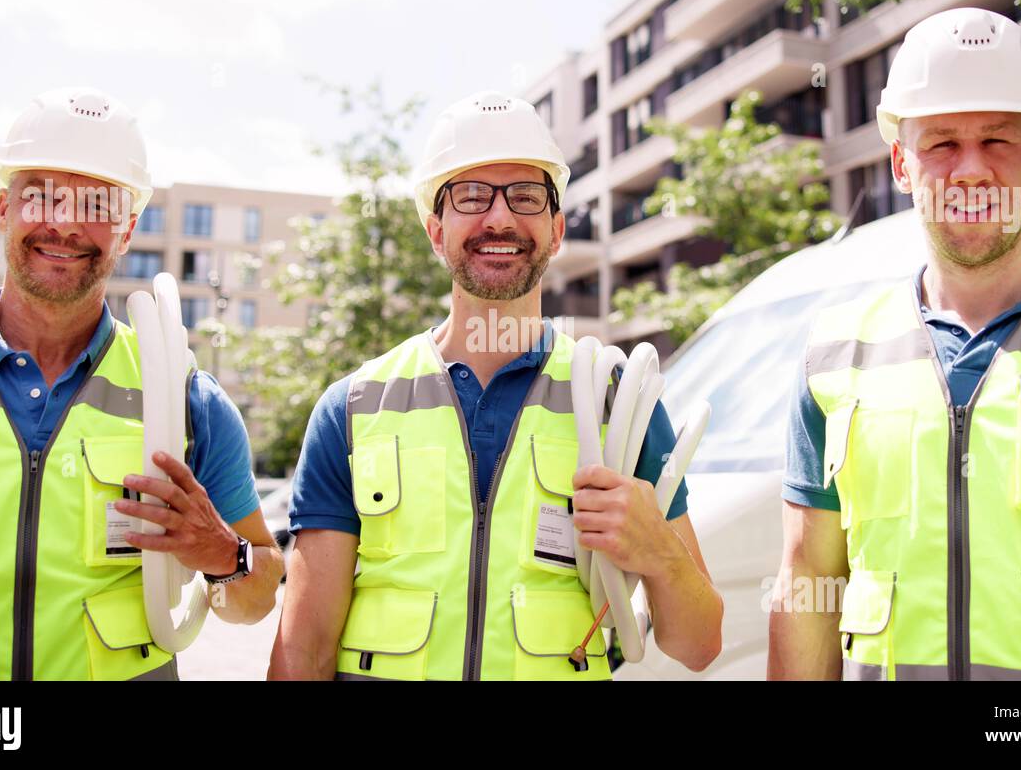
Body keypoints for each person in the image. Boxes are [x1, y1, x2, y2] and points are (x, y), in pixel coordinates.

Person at [769, 8, 1021, 680]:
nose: (972, 171)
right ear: (901, 163)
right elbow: (808, 581)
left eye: (997, 141)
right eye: (943, 144)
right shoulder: (834, 359)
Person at [268, 91, 722, 680]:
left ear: (556, 230)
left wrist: (660, 551)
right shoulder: (352, 409)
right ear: (436, 231)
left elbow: (700, 645)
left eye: (526, 197)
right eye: (472, 196)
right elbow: (303, 653)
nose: (500, 218)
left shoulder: (622, 403)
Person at [0, 87, 284, 680]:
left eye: (96, 203)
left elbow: (255, 599)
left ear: (128, 227)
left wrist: (224, 556)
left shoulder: (185, 397)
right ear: (2, 207)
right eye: (41, 195)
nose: (64, 223)